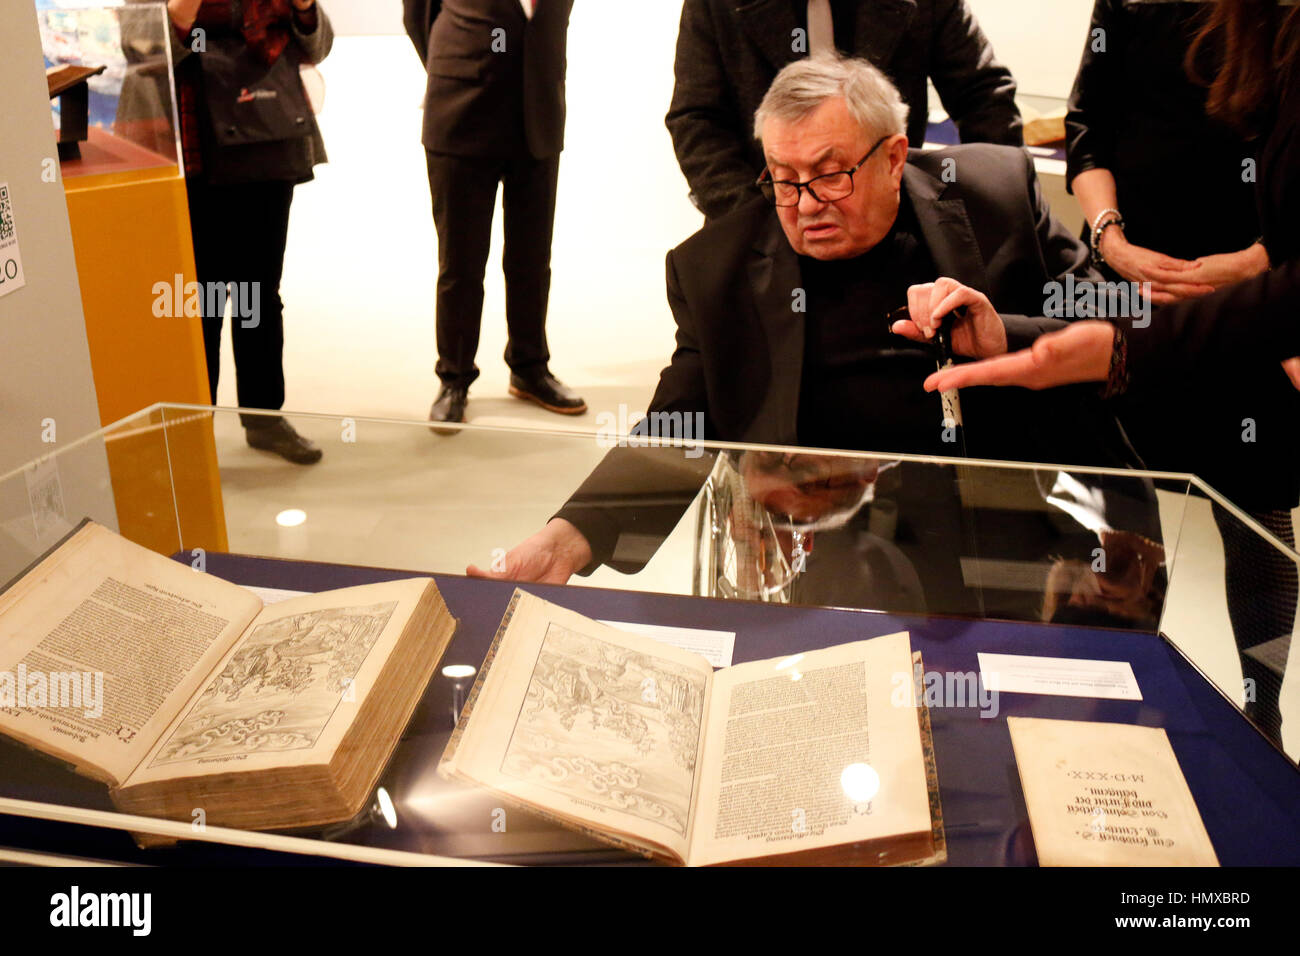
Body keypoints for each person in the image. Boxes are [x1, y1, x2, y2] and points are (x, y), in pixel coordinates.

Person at [471, 55, 1134, 586]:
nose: (804, 204)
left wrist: (1002, 337)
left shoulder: (996, 197)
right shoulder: (719, 267)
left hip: (1011, 523)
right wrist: (566, 540)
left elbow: (1119, 335)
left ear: (896, 156)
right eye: (784, 178)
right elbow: (680, 423)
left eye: (829, 175)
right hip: (826, 547)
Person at [161, 0, 332, 464]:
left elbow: (320, 45)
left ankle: (263, 417)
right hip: (198, 156)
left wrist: (304, 8)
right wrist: (179, 15)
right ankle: (193, 428)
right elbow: (143, 55)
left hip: (268, 148)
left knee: (260, 292)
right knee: (203, 298)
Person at [402, 0, 586, 427]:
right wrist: (455, 66)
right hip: (462, 110)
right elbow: (417, 16)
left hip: (538, 113)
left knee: (532, 258)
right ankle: (454, 377)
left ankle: (529, 367)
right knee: (461, 263)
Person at [667, 0, 1023, 219]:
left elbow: (984, 96)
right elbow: (697, 120)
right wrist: (763, 216)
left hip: (892, 224)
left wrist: (961, 211)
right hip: (760, 226)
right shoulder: (715, 4)